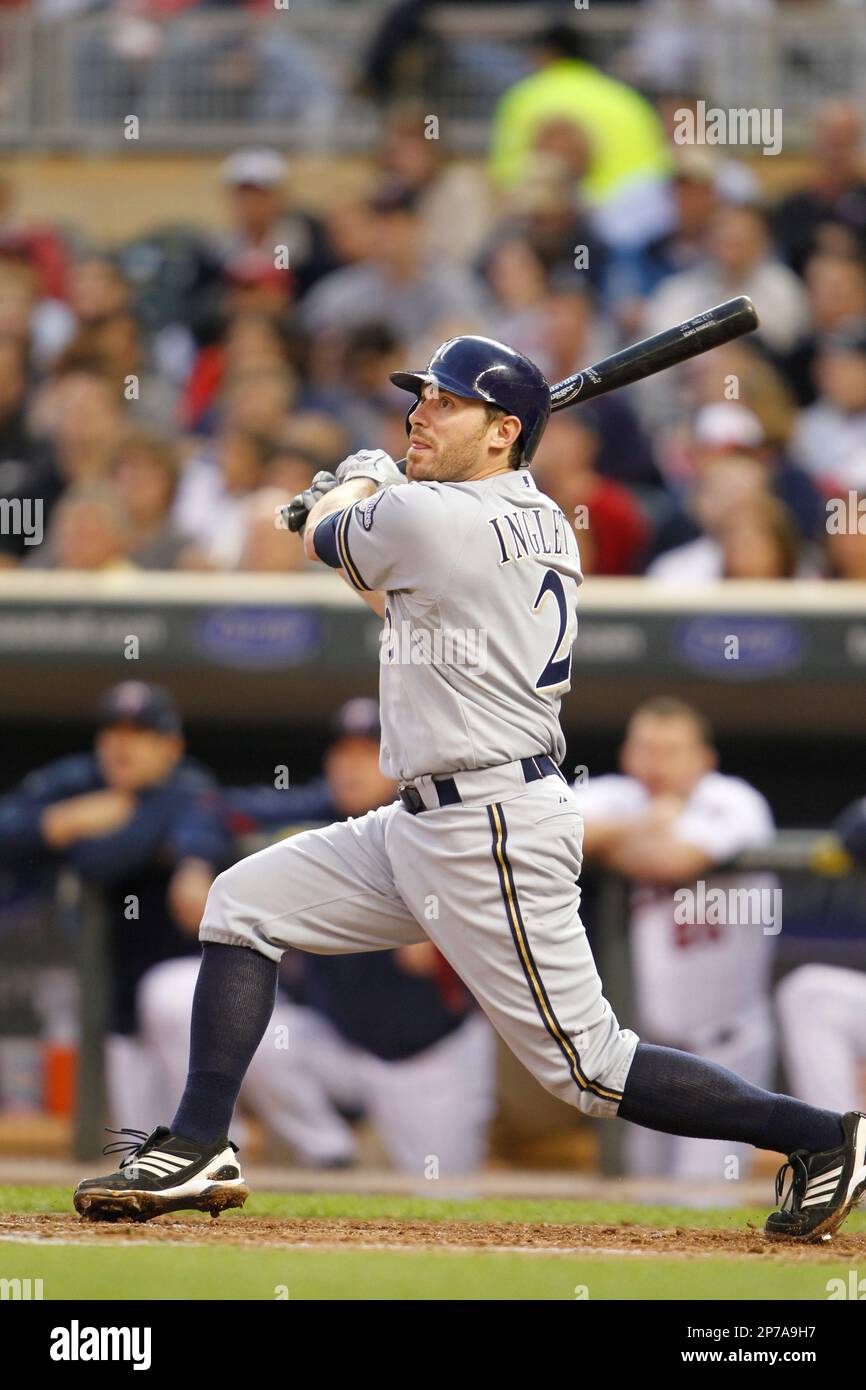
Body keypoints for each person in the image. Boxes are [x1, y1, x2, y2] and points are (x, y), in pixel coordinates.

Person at [75, 334, 866, 1243]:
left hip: (490, 824)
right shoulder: (525, 517)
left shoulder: (437, 519)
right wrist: (363, 502)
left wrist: (352, 486)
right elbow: (395, 589)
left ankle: (820, 1137)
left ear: (503, 432)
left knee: (593, 1070)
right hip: (423, 819)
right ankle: (199, 1142)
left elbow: (341, 536)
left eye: (445, 403)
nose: (419, 413)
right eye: (422, 399)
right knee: (244, 902)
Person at [0, 682, 228, 1133]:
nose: (122, 744)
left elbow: (111, 856)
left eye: (140, 732)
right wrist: (58, 822)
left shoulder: (187, 787)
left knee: (200, 1134)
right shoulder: (78, 780)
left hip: (185, 1000)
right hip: (116, 1008)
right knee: (137, 1153)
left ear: (170, 746)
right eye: (113, 731)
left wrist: (195, 862)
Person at [571, 698, 778, 1179]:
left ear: (703, 759)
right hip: (651, 1050)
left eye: (671, 750)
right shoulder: (622, 796)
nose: (655, 761)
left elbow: (673, 860)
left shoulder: (733, 799)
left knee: (705, 1199)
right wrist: (643, 823)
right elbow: (556, 831)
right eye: (646, 748)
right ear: (627, 754)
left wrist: (617, 843)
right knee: (644, 1195)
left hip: (728, 1045)